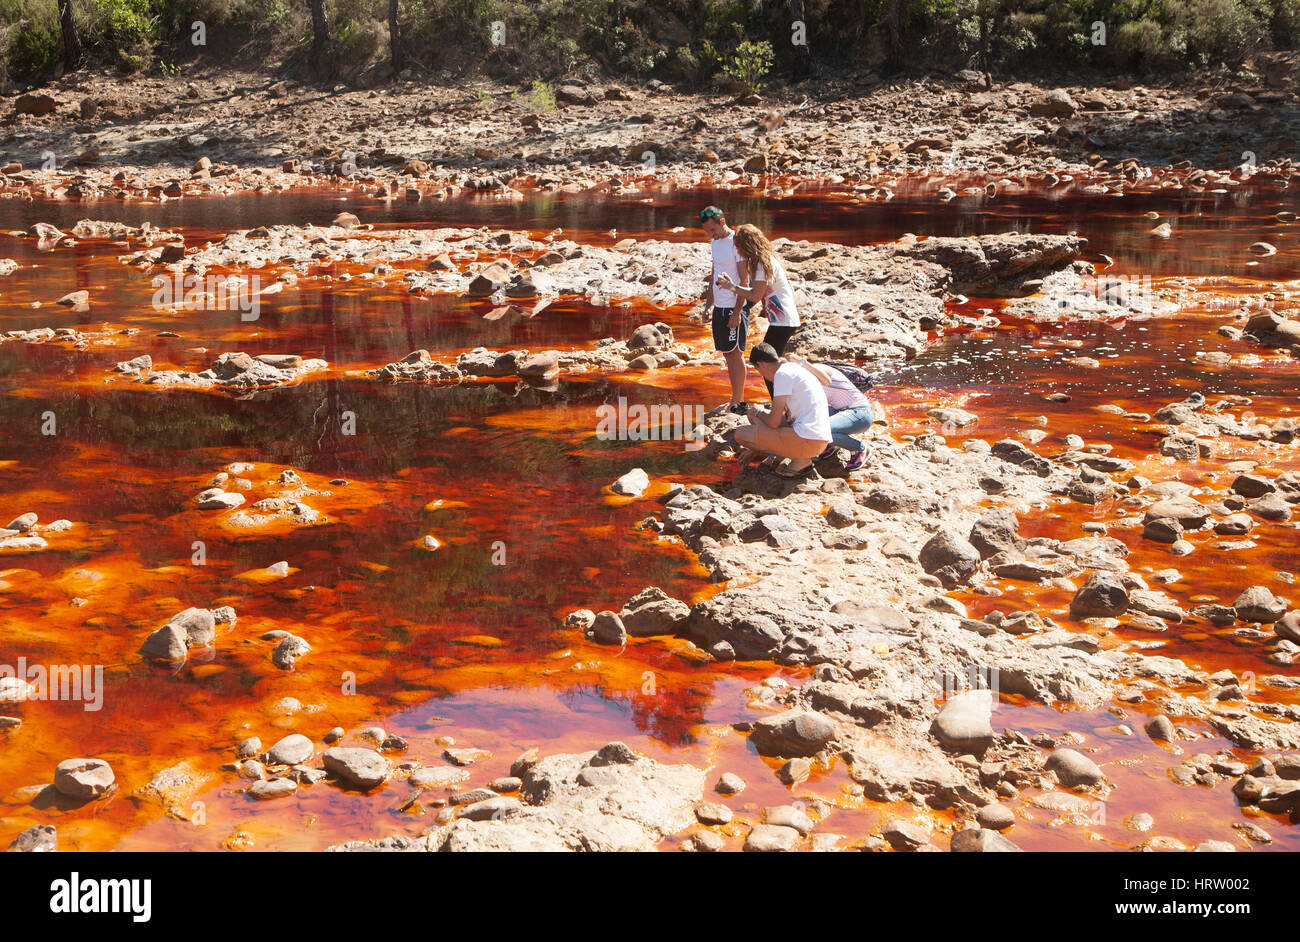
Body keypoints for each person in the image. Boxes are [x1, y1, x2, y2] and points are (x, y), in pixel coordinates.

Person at [714, 223, 800, 399]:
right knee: (774, 364)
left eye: (738, 247)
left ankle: (783, 409)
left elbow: (754, 295)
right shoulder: (765, 259)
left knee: (767, 367)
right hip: (784, 321)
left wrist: (731, 287)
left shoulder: (761, 264)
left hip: (783, 323)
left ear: (746, 245)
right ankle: (787, 404)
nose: (738, 252)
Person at [733, 343, 831, 479]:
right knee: (755, 417)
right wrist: (755, 446)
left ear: (761, 364)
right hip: (816, 439)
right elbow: (784, 419)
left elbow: (773, 423)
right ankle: (778, 456)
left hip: (809, 441)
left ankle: (801, 461)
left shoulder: (781, 375)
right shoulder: (793, 369)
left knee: (740, 433)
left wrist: (757, 412)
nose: (761, 375)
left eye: (758, 370)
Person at [699, 206, 753, 409]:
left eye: (713, 229)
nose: (711, 234)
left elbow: (745, 279)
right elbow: (715, 275)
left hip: (734, 304)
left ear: (722, 222)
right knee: (727, 354)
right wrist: (708, 305)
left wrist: (738, 311)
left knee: (735, 353)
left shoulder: (736, 243)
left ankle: (738, 401)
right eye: (707, 231)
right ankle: (734, 398)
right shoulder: (715, 242)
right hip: (720, 305)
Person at [784, 354, 874, 472]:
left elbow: (826, 380)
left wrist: (801, 362)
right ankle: (830, 445)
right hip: (840, 410)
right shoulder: (798, 381)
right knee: (807, 421)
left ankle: (859, 448)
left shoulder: (818, 368)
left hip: (860, 412)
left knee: (821, 430)